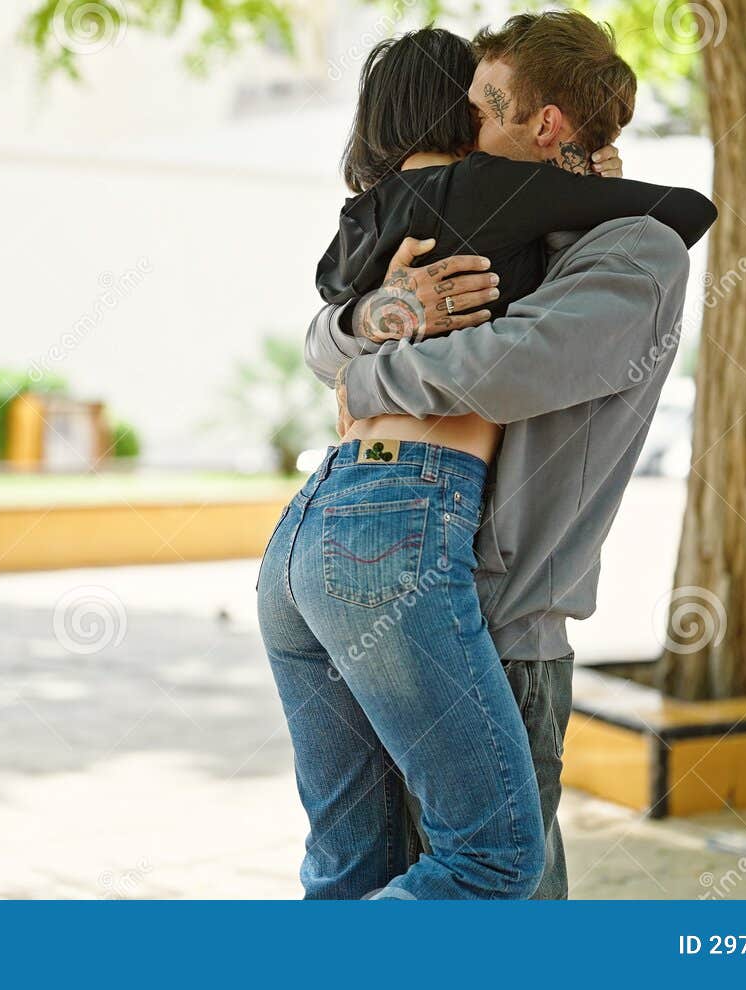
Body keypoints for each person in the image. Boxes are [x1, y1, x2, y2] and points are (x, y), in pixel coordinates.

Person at [257, 18, 716, 900]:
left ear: (544, 126)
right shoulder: (484, 219)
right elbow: (322, 339)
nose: (460, 122)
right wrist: (375, 318)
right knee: (481, 873)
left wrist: (366, 371)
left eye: (481, 104)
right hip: (395, 561)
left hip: (465, 596)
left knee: (388, 881)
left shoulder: (631, 250)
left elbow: (506, 367)